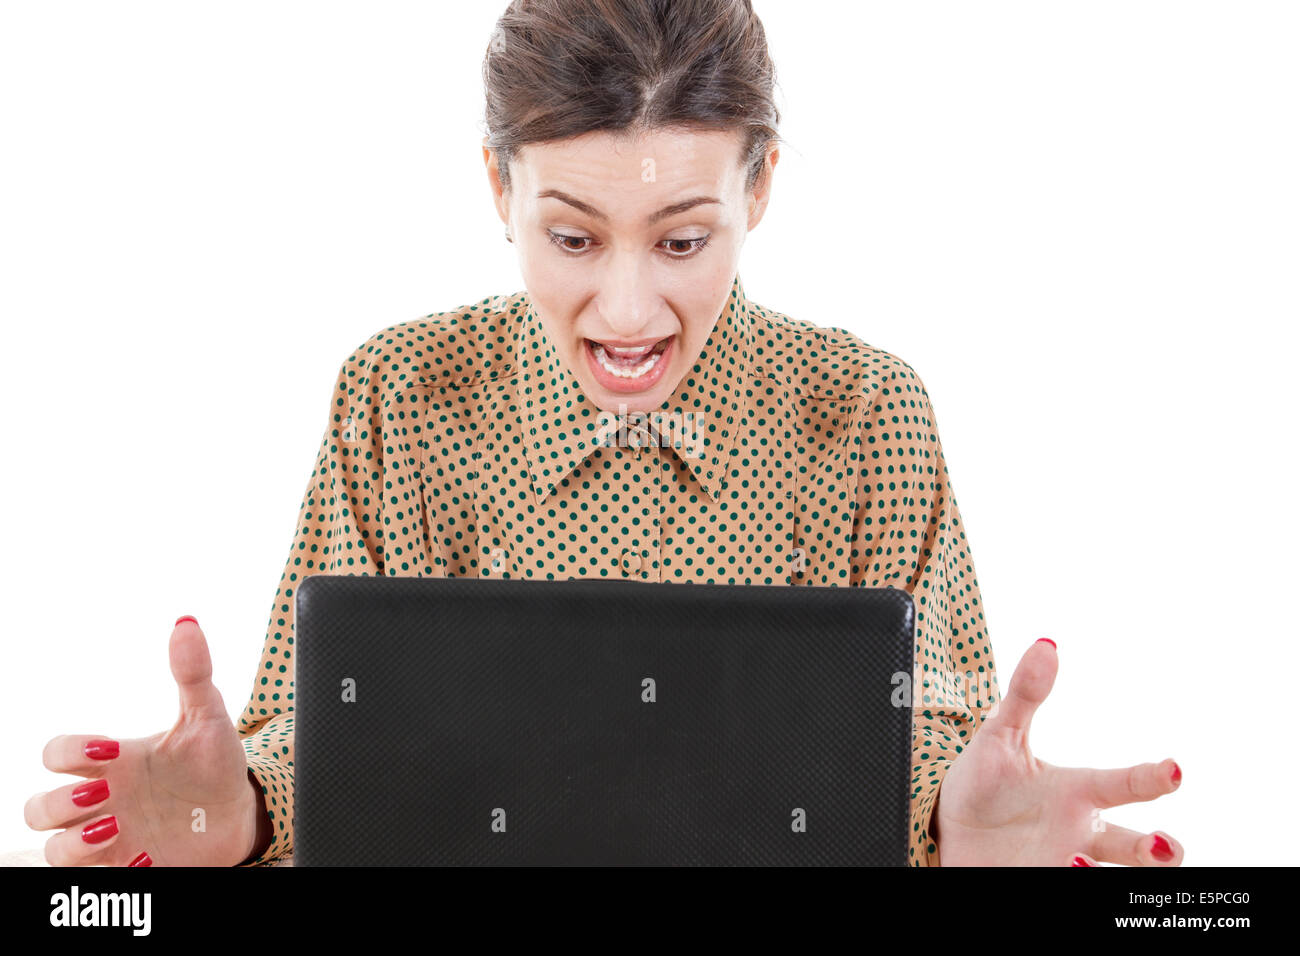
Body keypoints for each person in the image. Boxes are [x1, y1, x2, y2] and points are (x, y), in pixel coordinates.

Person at [24, 0, 1183, 868]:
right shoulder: (400, 392)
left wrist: (950, 824)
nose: (627, 314)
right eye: (572, 238)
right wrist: (246, 819)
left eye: (682, 240)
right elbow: (312, 735)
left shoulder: (865, 412)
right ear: (498, 189)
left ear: (760, 187)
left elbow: (937, 738)